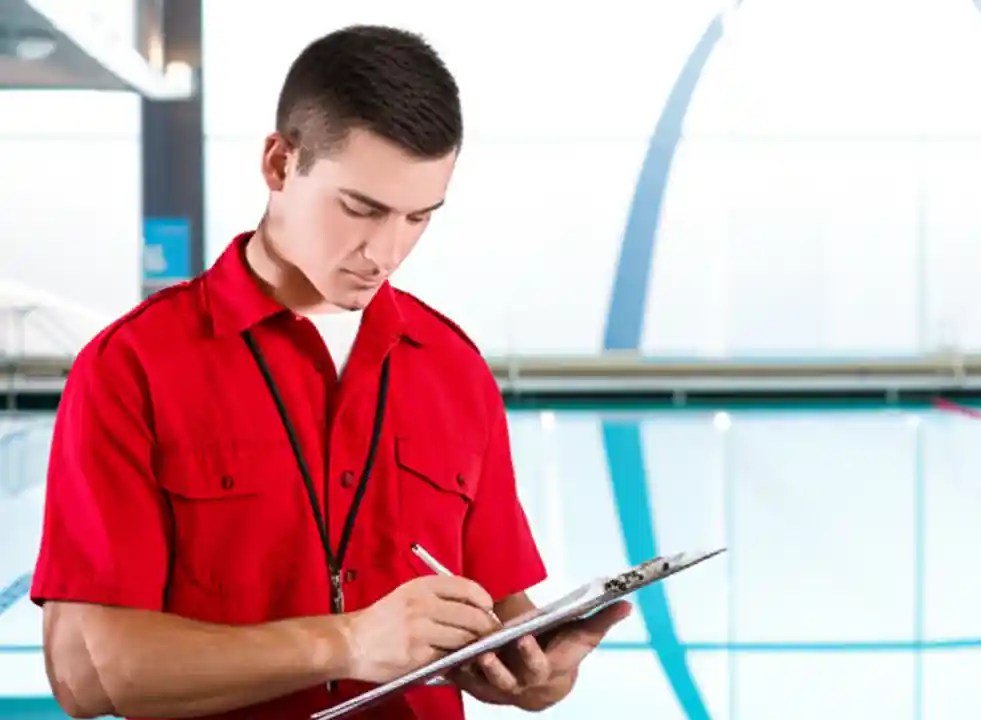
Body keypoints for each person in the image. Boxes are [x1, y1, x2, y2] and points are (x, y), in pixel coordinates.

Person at [31, 24, 630, 720]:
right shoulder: (133, 367)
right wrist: (344, 643)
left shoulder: (452, 368)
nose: (387, 251)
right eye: (361, 209)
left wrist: (536, 673)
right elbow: (87, 676)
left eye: (419, 218)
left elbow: (501, 609)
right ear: (280, 165)